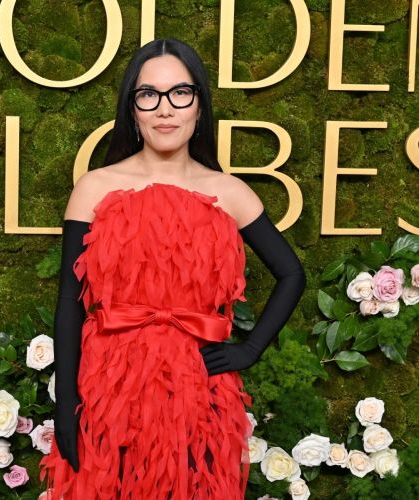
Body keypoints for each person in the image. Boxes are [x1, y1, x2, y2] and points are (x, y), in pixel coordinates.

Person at [39, 38, 306, 499]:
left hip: (200, 392)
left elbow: (292, 274)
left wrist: (250, 349)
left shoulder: (230, 192)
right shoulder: (95, 188)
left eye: (180, 93)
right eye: (149, 95)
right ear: (133, 110)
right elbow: (69, 299)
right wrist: (68, 403)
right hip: (110, 389)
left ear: (199, 106)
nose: (165, 109)